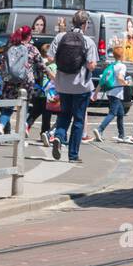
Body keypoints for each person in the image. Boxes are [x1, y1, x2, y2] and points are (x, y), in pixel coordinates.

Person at [49, 9, 98, 163]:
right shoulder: (88, 41)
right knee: (78, 119)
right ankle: (73, 155)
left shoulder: (60, 37)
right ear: (85, 24)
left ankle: (58, 136)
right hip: (81, 86)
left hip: (63, 84)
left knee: (64, 114)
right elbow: (91, 65)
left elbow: (50, 58)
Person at [0, 27, 45, 142]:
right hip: (26, 82)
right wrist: (53, 77)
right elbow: (41, 66)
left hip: (10, 80)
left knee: (7, 108)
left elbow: (0, 62)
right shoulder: (33, 49)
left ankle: (0, 127)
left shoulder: (11, 47)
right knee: (24, 105)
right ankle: (22, 127)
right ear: (29, 36)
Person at [93, 55, 131, 142]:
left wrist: (95, 94)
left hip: (109, 92)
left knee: (120, 113)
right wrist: (126, 83)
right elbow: (120, 78)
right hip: (116, 93)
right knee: (113, 113)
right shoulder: (122, 66)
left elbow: (101, 80)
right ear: (121, 56)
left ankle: (121, 135)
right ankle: (100, 129)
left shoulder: (111, 66)